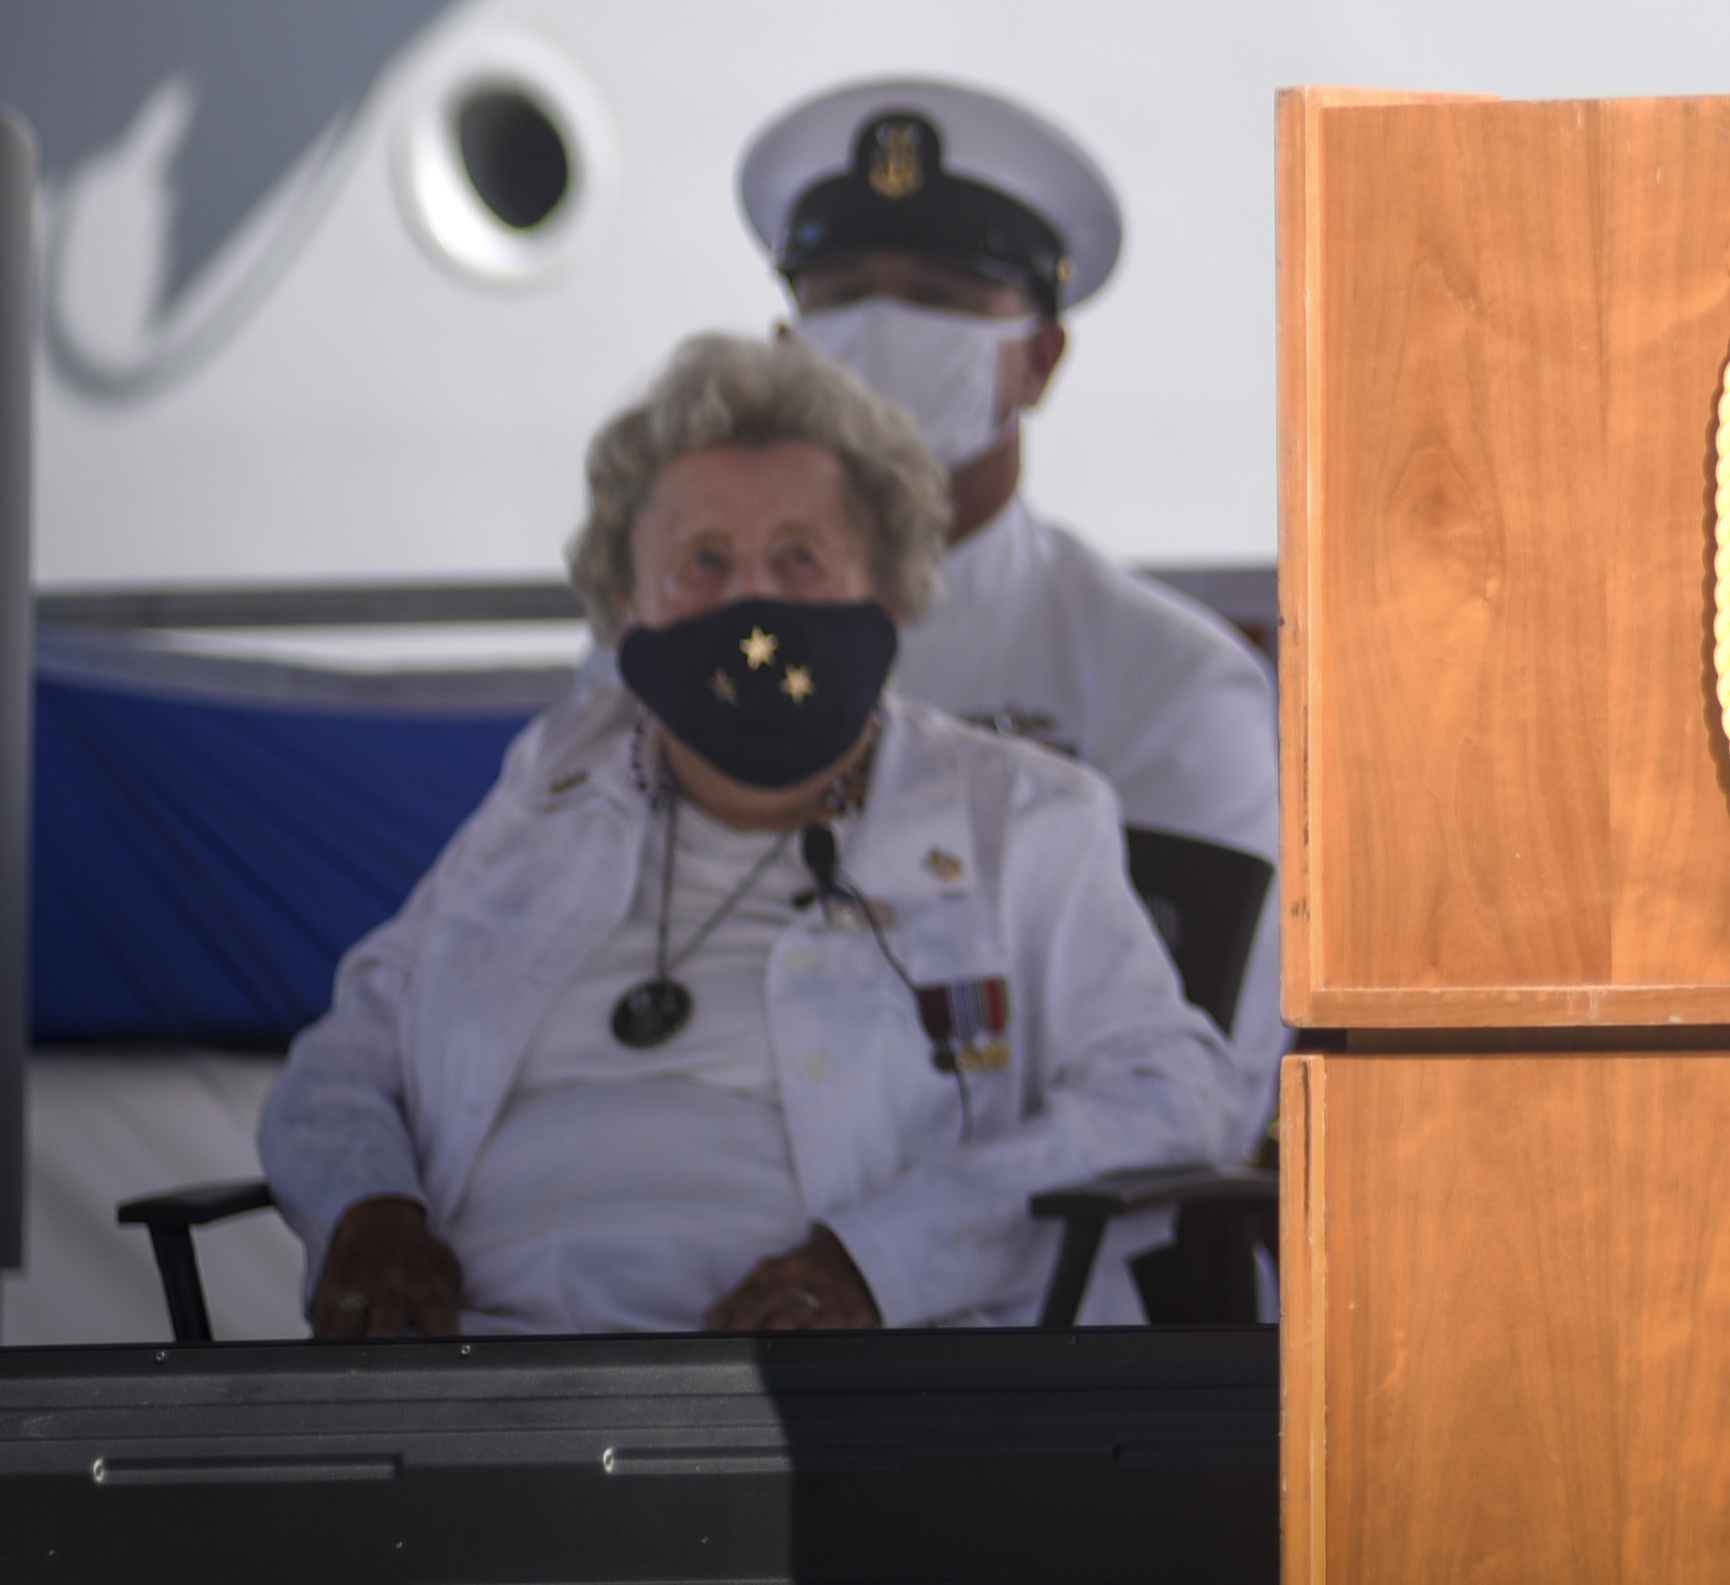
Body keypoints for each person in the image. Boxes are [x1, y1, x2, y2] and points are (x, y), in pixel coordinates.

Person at [263, 333, 1236, 1336]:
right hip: (484, 1383)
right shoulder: (551, 784)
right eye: (704, 561)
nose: (752, 608)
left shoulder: (1020, 817)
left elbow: (1169, 1096)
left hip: (838, 1411)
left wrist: (881, 1262)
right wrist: (368, 1213)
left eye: (800, 558)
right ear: (625, 608)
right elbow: (348, 1056)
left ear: (891, 588)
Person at [737, 78, 1286, 1153]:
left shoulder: (1166, 683)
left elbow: (1194, 1079)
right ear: (789, 345)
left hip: (1031, 1267)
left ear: (1038, 359)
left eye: (941, 295)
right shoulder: (654, 654)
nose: (886, 331)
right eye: (843, 291)